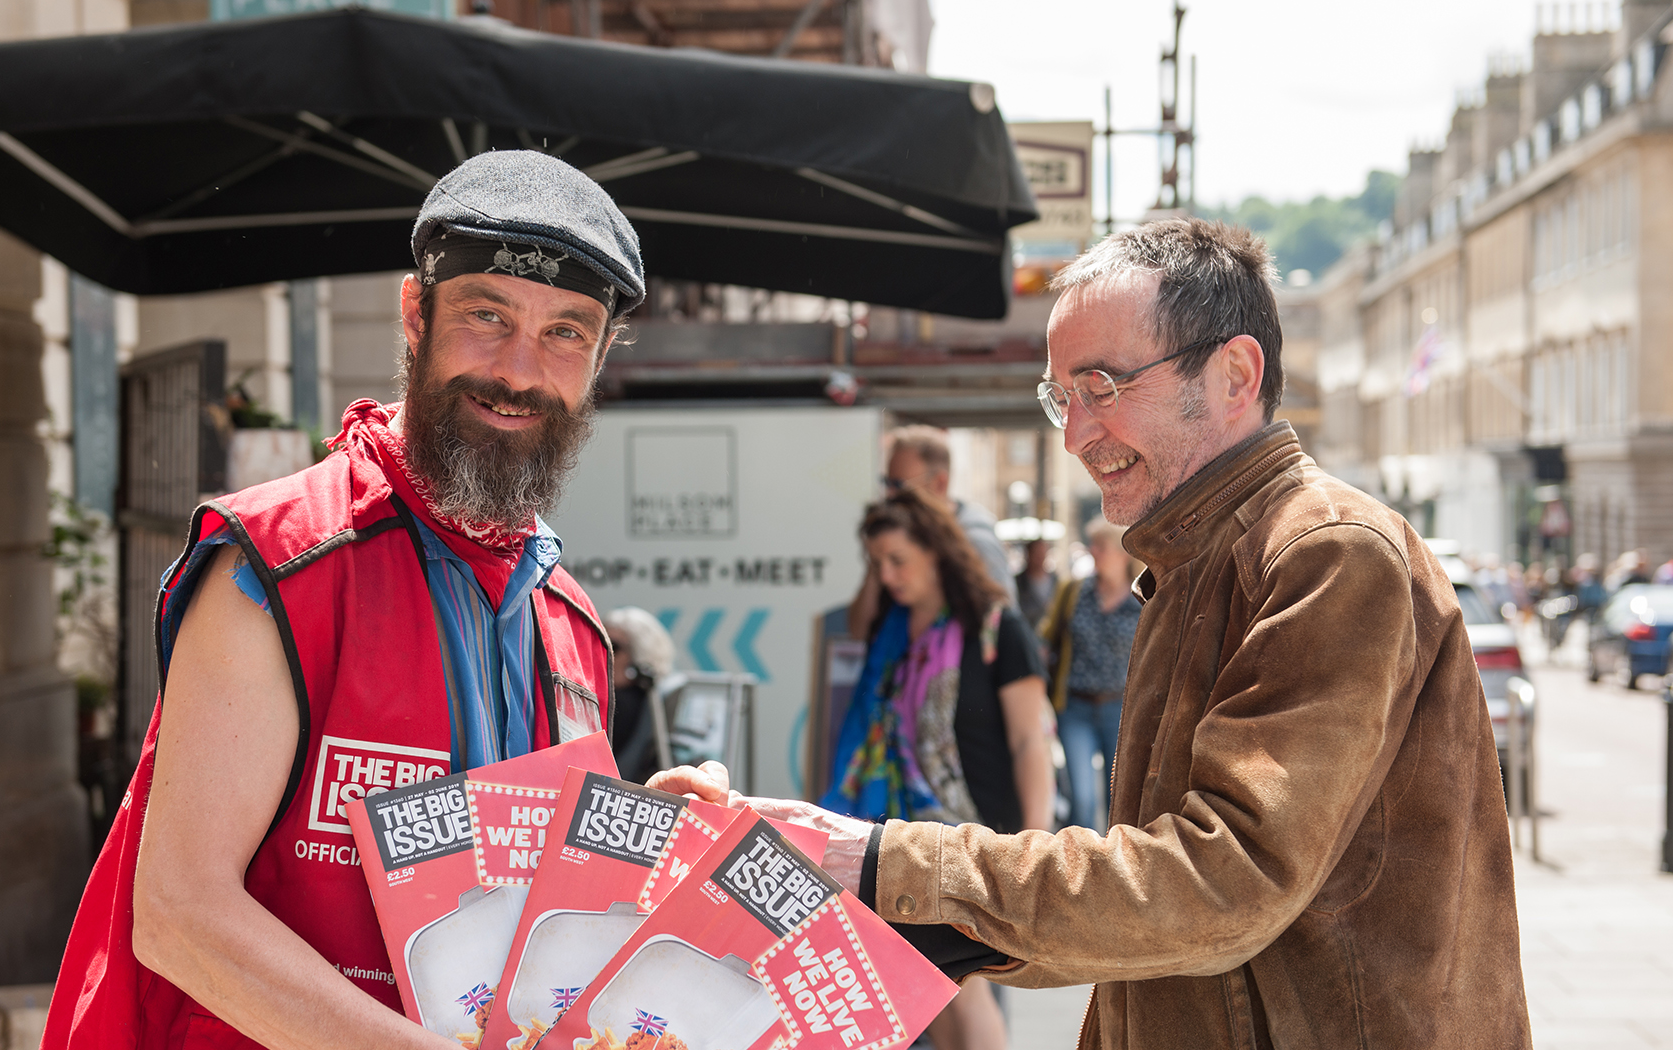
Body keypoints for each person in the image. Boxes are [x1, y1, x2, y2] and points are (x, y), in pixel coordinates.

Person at [655, 219, 1530, 1049]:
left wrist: (876, 861)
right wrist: (839, 872)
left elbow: (1223, 885)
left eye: (1102, 387)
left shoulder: (1328, 551)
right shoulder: (1197, 560)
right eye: (1060, 396)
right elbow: (1148, 912)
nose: (1076, 433)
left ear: (1233, 375)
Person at [43, 151, 646, 1050]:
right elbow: (177, 914)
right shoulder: (278, 564)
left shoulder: (571, 624)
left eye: (567, 332)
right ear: (417, 313)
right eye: (487, 315)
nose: (520, 371)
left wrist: (659, 845)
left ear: (598, 359)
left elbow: (553, 927)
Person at [822, 486, 1052, 1050]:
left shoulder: (994, 627)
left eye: (899, 560)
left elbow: (1030, 740)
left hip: (978, 836)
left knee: (966, 987)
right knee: (935, 988)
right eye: (878, 564)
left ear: (938, 552)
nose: (889, 574)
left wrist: (1038, 840)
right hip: (902, 843)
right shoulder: (892, 633)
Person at [848, 427, 1017, 640]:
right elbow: (859, 630)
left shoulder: (975, 539)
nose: (890, 496)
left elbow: (1001, 629)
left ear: (940, 483)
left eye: (899, 485)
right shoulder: (893, 539)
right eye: (886, 483)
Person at [1037, 517, 1140, 831]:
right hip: (1075, 707)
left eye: (1102, 546)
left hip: (1120, 711)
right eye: (1092, 545)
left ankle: (1113, 870)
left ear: (1124, 553)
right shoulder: (1074, 590)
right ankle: (1076, 874)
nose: (1093, 551)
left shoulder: (1143, 598)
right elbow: (1047, 636)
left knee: (1119, 802)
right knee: (1082, 800)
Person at [602, 606, 675, 782]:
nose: (604, 654)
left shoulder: (622, 703)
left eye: (613, 647)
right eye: (599, 643)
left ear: (638, 655)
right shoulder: (653, 698)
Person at [1014, 536, 1060, 632]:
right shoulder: (1017, 582)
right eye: (1036, 554)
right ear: (1028, 555)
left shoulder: (1056, 581)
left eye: (1042, 553)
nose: (1039, 558)